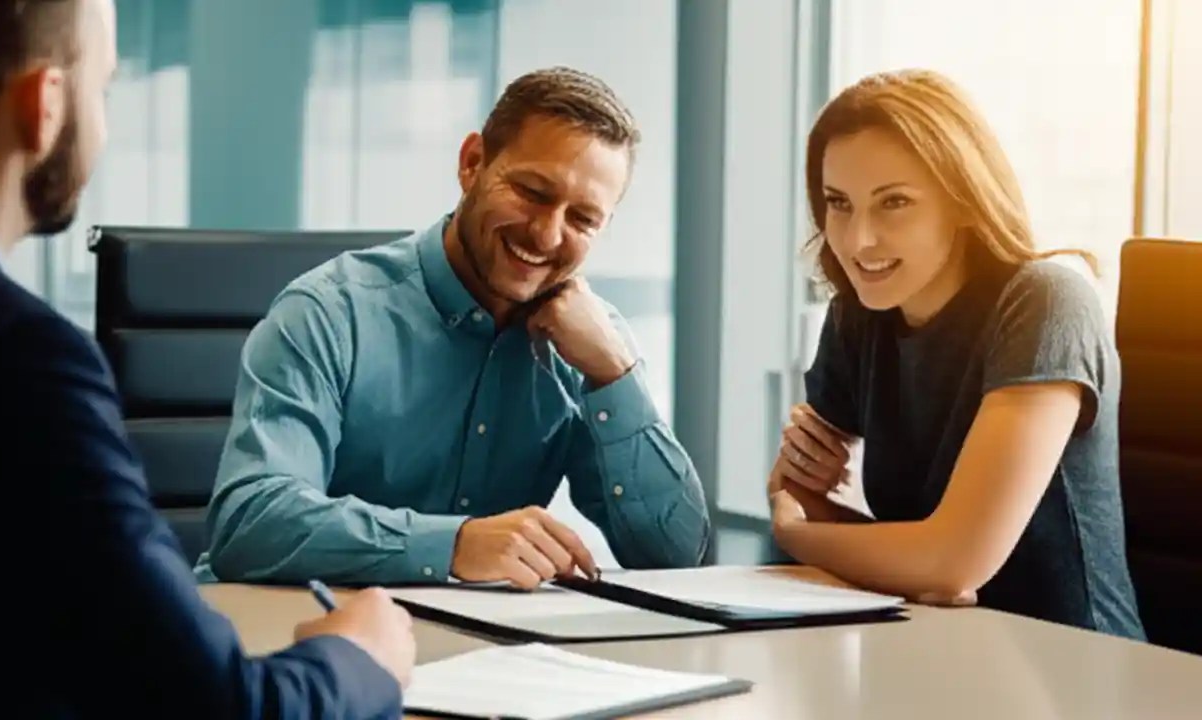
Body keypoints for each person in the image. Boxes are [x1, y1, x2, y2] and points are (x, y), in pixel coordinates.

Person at [0, 2, 416, 717]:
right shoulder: (14, 353)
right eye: (105, 89)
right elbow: (216, 707)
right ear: (46, 105)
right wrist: (360, 657)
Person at [195, 67, 710, 590]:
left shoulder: (589, 343)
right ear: (472, 164)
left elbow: (674, 554)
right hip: (289, 637)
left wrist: (615, 374)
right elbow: (250, 523)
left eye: (582, 219)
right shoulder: (328, 312)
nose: (547, 233)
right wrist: (454, 544)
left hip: (469, 646)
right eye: (532, 191)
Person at [767, 69, 1145, 640]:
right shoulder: (858, 315)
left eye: (893, 203)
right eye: (838, 203)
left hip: (1075, 666)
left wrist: (800, 535)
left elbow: (954, 565)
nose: (857, 239)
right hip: (933, 646)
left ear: (965, 201)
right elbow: (795, 490)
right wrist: (916, 559)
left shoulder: (1044, 301)